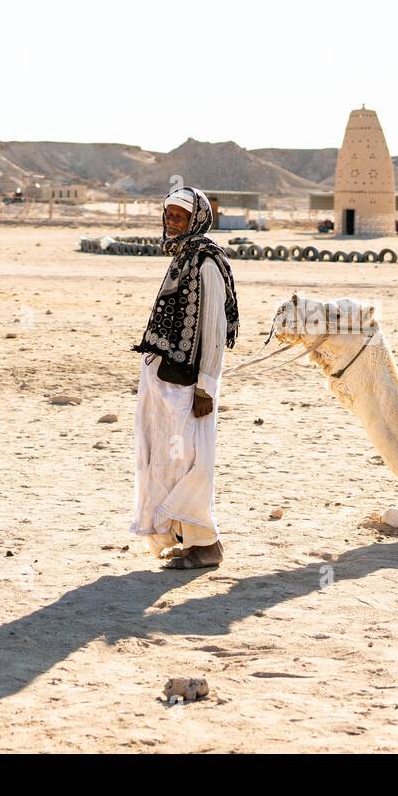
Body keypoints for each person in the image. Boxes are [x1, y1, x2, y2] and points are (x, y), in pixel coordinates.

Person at [129, 186, 239, 569]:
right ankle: (183, 538)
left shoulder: (206, 261)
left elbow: (213, 329)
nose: (172, 222)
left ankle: (205, 543)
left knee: (190, 461)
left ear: (197, 220)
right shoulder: (181, 257)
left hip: (191, 384)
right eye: (169, 215)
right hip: (165, 381)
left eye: (179, 216)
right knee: (164, 460)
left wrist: (207, 387)